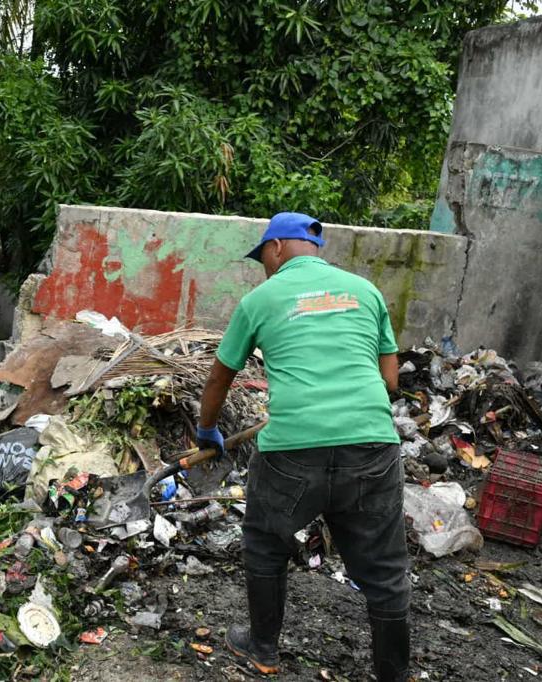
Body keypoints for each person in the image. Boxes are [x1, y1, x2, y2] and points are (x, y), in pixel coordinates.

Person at [196, 212, 410, 680]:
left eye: (263, 258)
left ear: (275, 248)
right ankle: (393, 675)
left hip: (293, 451)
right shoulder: (366, 292)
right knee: (386, 572)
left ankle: (263, 649)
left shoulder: (261, 299)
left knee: (265, 546)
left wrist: (207, 429)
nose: (264, 267)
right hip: (372, 445)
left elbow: (219, 376)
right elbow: (390, 381)